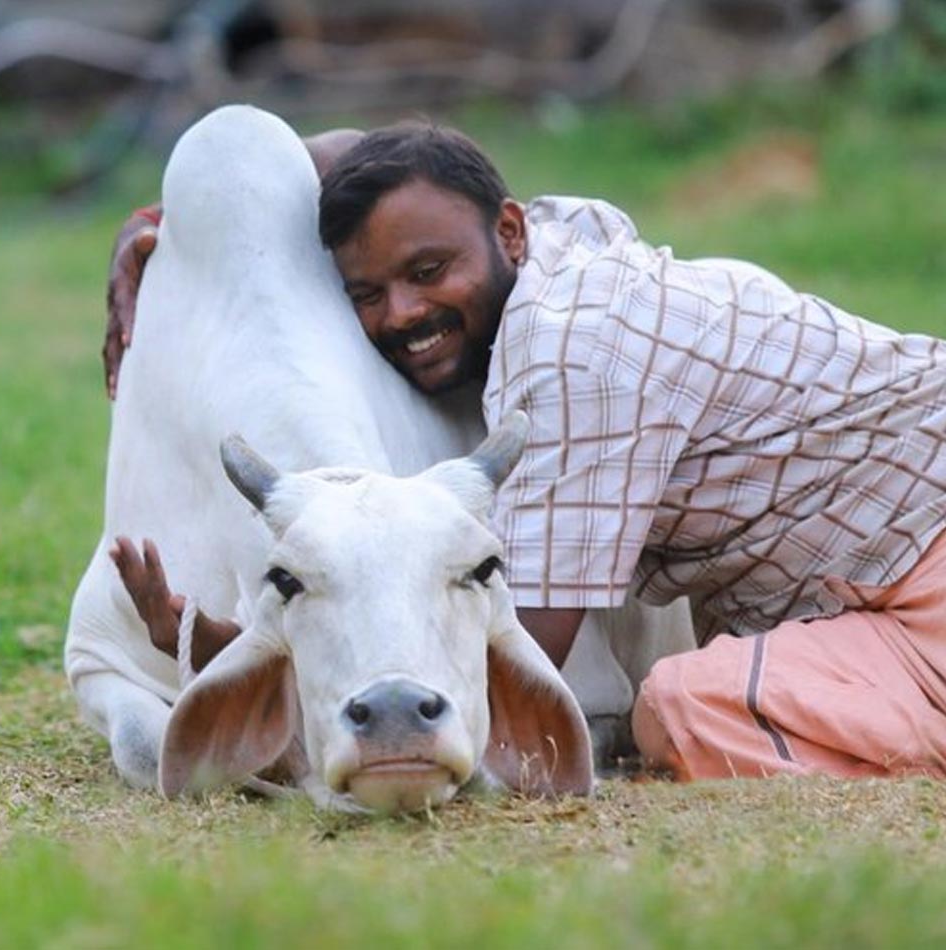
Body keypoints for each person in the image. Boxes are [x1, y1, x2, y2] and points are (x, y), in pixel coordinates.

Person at [103, 120, 946, 782]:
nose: (402, 312)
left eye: (429, 270)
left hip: (923, 577)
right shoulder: (562, 238)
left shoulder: (574, 364)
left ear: (507, 232)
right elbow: (361, 153)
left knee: (686, 709)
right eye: (369, 292)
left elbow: (511, 673)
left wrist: (259, 660)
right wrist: (177, 226)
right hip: (882, 561)